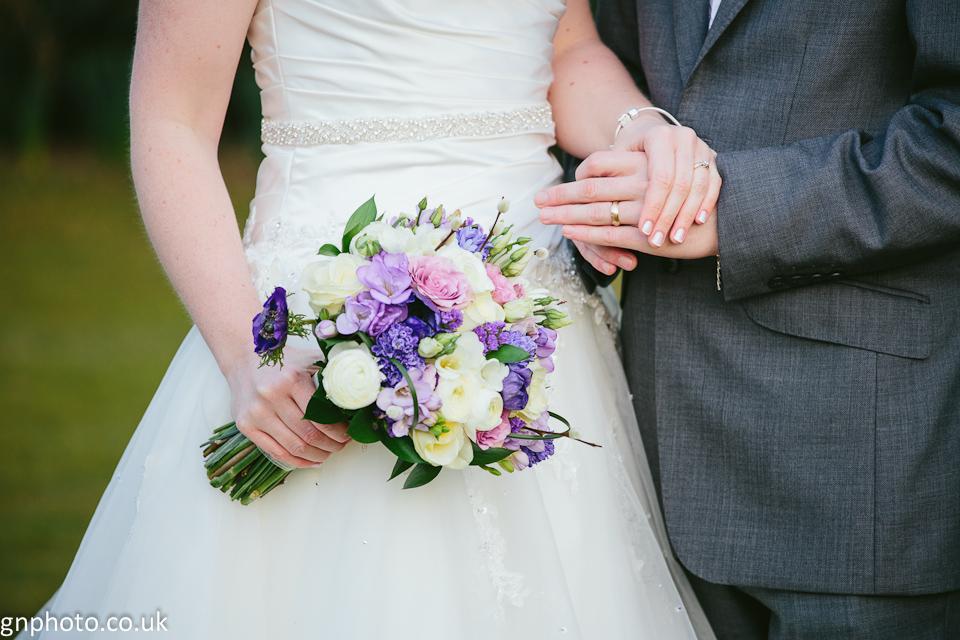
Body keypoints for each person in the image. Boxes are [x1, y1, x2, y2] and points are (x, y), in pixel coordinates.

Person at [19, 0, 724, 638]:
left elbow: (567, 47)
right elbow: (171, 119)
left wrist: (641, 131)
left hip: (535, 326)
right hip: (315, 322)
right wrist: (243, 354)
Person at [537, 0, 960, 637]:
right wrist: (603, 203)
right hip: (649, 448)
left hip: (859, 459)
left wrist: (736, 211)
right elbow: (610, 76)